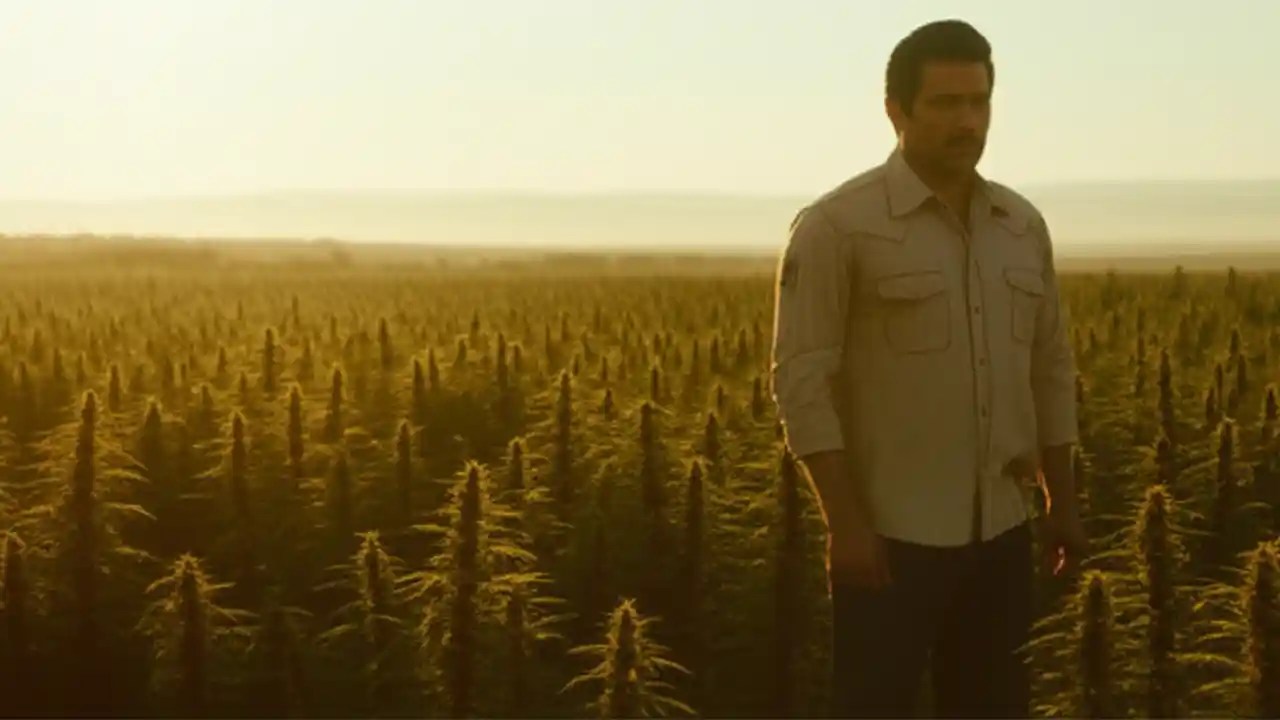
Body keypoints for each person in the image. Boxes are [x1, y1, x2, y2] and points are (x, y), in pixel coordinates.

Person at [769, 19, 1088, 719]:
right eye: (945, 103)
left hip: (1002, 536)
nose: (966, 121)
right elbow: (800, 381)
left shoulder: (1020, 226)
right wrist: (843, 525)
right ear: (896, 110)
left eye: (978, 103)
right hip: (889, 542)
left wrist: (1061, 502)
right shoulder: (836, 227)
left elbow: (1050, 367)